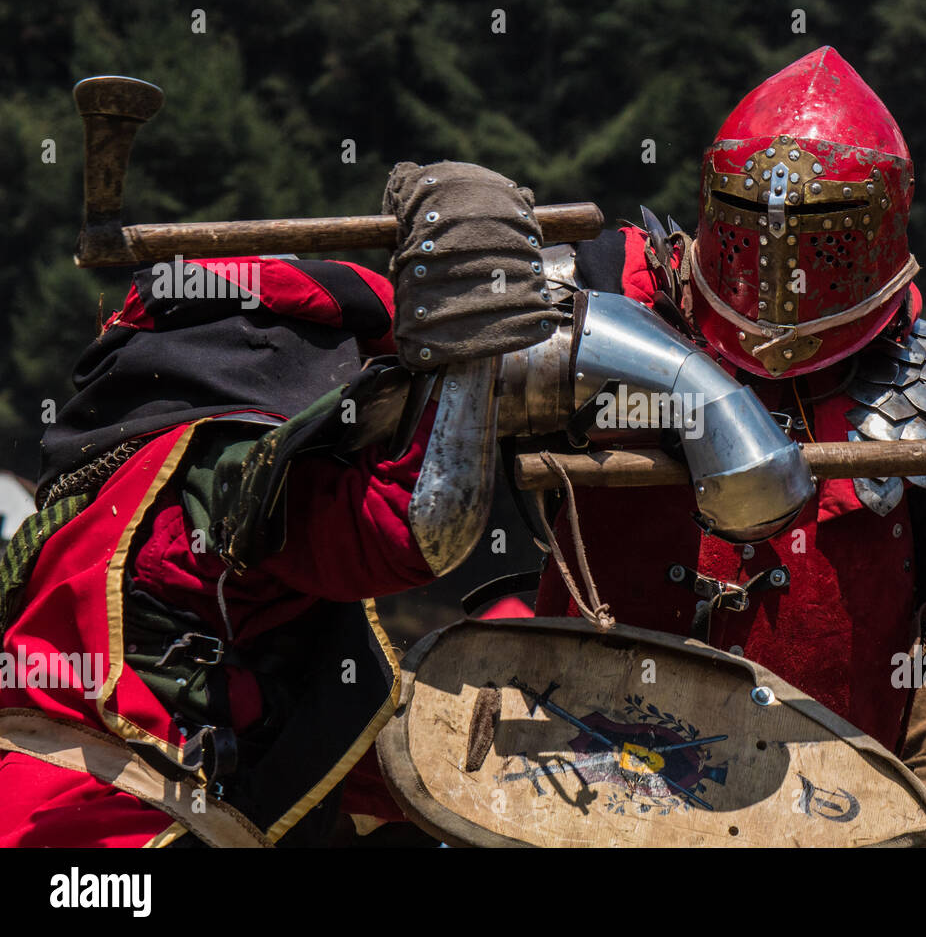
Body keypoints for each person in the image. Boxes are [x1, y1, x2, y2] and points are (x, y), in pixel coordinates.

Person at [523, 46, 926, 835]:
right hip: (571, 797)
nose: (780, 263)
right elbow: (435, 458)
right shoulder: (607, 306)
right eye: (753, 219)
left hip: (827, 818)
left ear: (878, 222)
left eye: (819, 228)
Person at [0, 162, 550, 846]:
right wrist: (469, 333)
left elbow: (305, 729)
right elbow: (414, 527)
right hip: (110, 835)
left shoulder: (116, 487)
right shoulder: (212, 472)